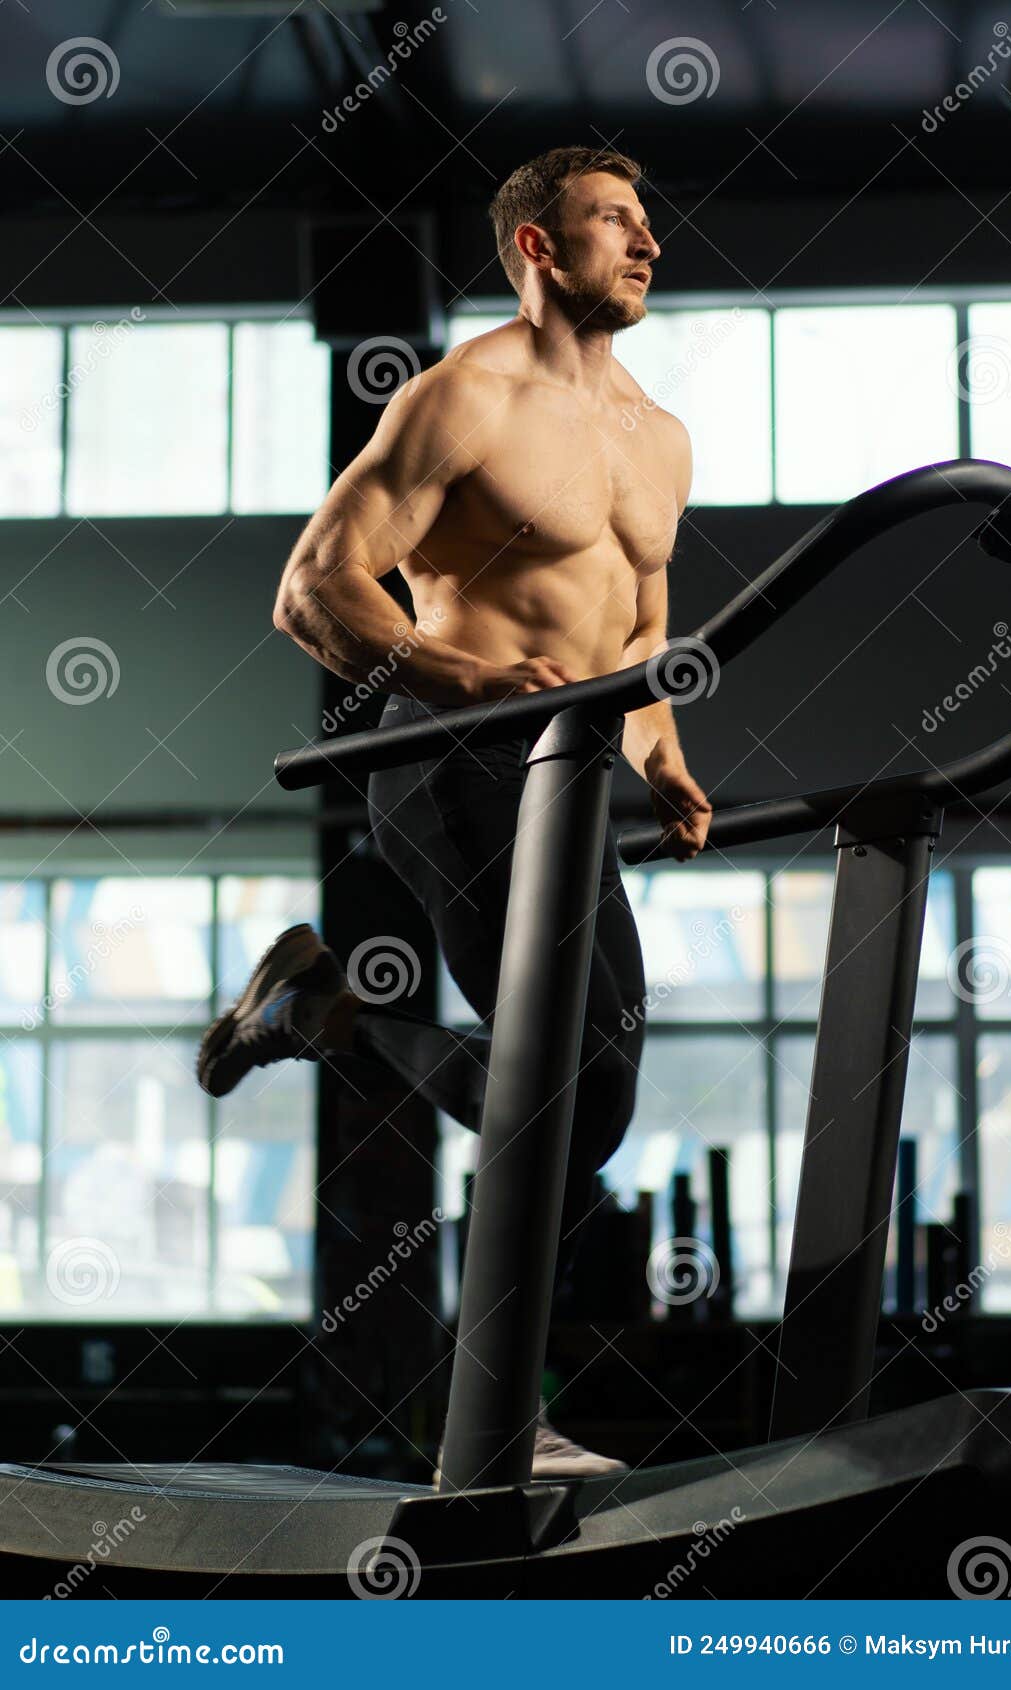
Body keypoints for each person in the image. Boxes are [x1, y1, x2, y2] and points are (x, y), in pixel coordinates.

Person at [197, 144, 713, 1483]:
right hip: (445, 748)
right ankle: (492, 1423)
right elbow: (314, 588)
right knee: (557, 1083)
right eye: (611, 221)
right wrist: (471, 676)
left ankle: (317, 1014)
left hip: (569, 770)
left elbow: (640, 633)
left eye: (647, 222)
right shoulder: (463, 398)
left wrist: (661, 752)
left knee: (591, 1095)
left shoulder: (660, 438)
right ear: (538, 248)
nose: (645, 242)